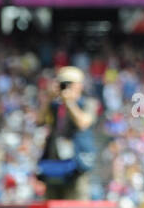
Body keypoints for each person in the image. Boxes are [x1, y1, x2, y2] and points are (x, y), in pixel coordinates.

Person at [36, 65, 98, 201]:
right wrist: (48, 98)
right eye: (63, 84)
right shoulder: (54, 106)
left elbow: (83, 123)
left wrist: (69, 102)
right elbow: (39, 120)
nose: (65, 87)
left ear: (79, 85)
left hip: (76, 163)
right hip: (54, 163)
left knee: (76, 206)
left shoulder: (88, 103)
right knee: (52, 207)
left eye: (69, 83)